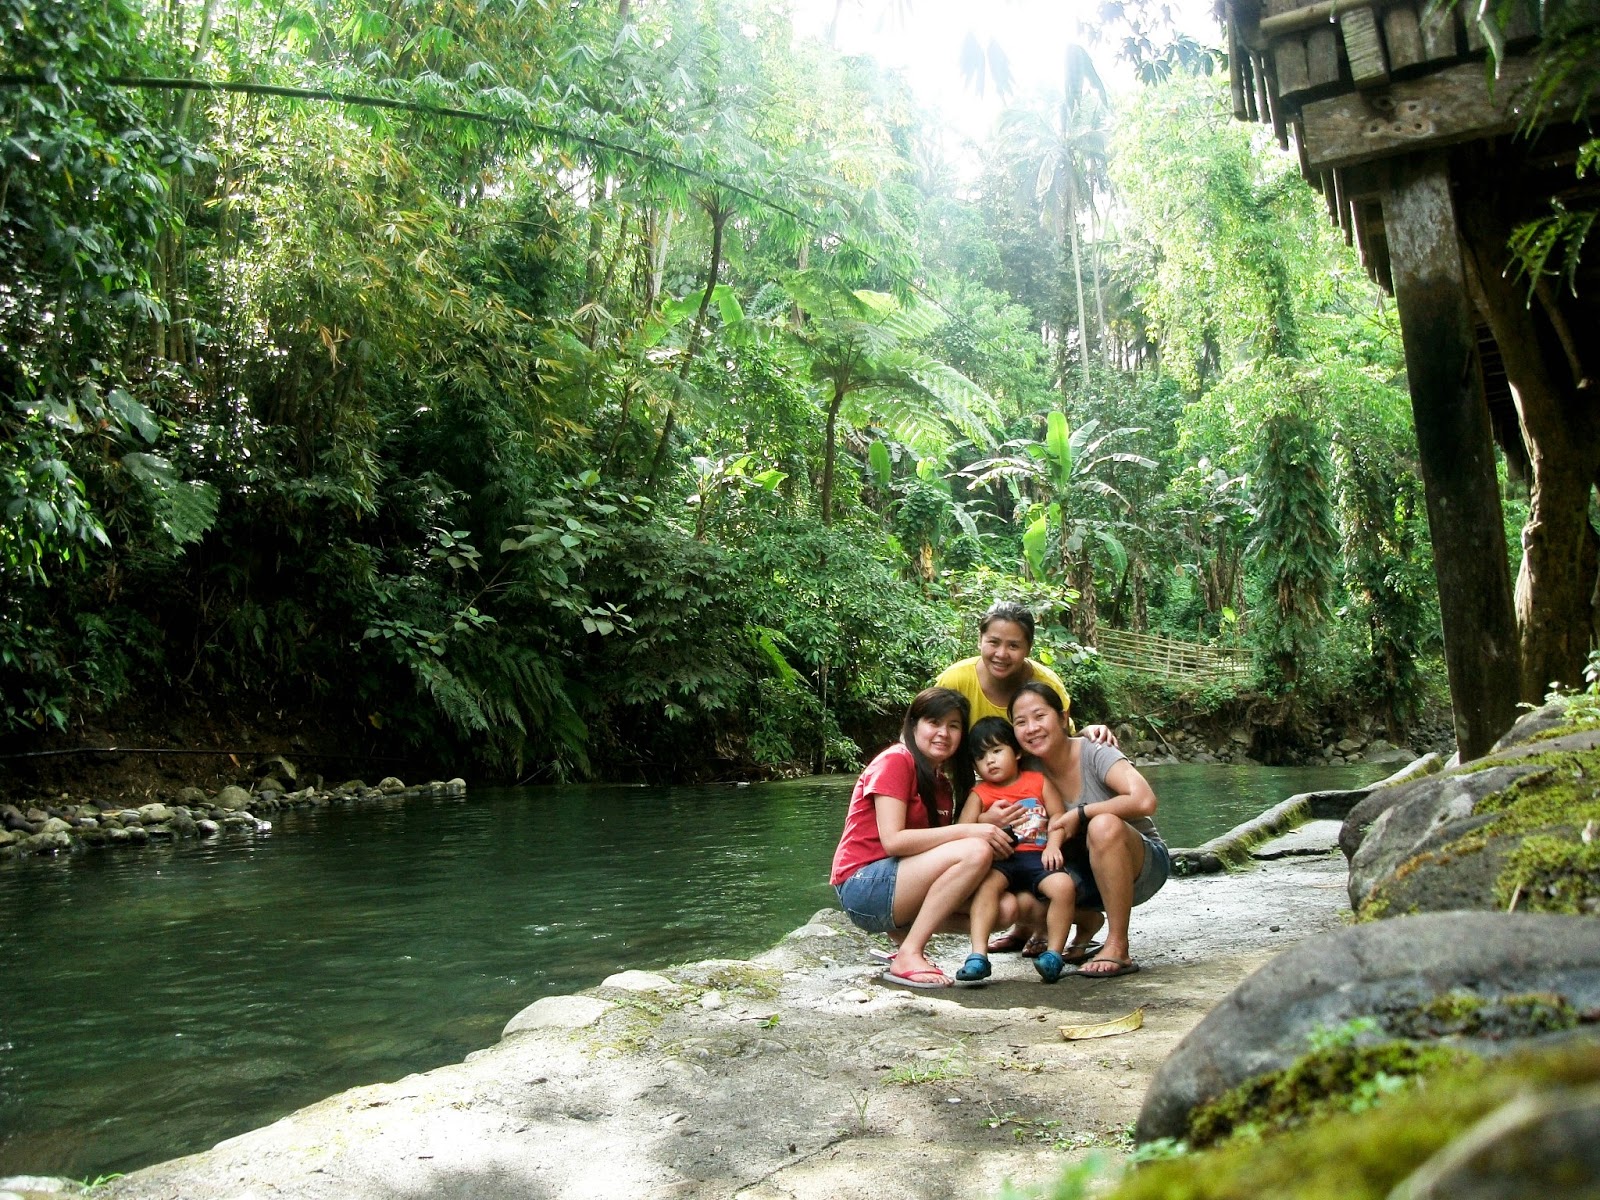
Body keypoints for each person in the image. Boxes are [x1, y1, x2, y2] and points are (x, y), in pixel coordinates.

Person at [936, 600, 1114, 958]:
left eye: (1013, 645)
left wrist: (1090, 732)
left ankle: (1042, 925)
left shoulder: (1045, 683)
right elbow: (931, 729)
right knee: (988, 856)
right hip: (973, 782)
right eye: (993, 642)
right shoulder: (956, 680)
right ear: (980, 640)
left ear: (1029, 648)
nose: (1001, 654)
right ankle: (1024, 925)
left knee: (1036, 851)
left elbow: (1062, 740)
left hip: (1035, 789)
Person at [829, 687, 1016, 989]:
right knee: (975, 851)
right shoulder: (895, 760)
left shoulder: (940, 783)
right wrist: (972, 830)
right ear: (914, 725)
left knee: (1004, 909)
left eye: (953, 726)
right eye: (934, 722)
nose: (943, 733)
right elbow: (894, 841)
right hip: (862, 886)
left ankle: (903, 940)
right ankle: (910, 953)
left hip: (896, 886)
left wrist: (983, 822)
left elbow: (934, 846)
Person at [1008, 680, 1169, 977]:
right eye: (1021, 722)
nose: (1031, 728)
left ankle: (1118, 946)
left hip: (1141, 867)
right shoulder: (1024, 769)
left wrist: (1081, 814)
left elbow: (1145, 800)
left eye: (1040, 716)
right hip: (1084, 877)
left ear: (1062, 718)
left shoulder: (1094, 750)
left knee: (1102, 824)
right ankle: (1081, 921)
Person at [952, 718, 1081, 984]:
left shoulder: (1038, 781)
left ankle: (1053, 955)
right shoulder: (980, 793)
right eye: (981, 757)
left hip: (1038, 855)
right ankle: (978, 955)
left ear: (1018, 752)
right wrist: (983, 820)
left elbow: (1058, 816)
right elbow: (962, 830)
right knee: (986, 887)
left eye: (997, 751)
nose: (990, 761)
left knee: (1064, 887)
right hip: (1001, 859)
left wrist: (1054, 845)